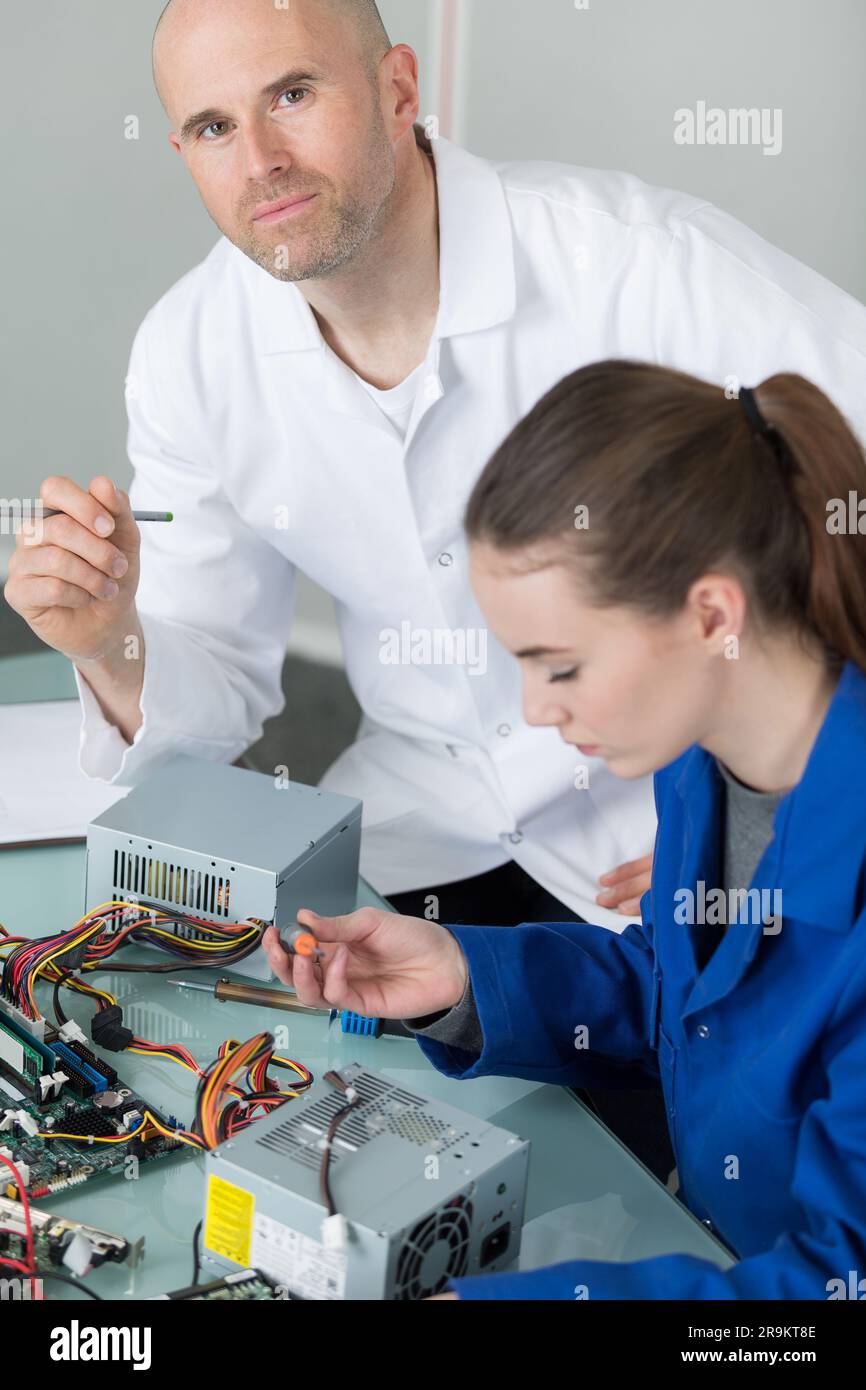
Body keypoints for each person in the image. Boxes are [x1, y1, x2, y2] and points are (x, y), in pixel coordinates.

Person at [5, 0, 865, 1167]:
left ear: (401, 88)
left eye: (292, 95)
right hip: (424, 828)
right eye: (212, 125)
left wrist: (751, 809)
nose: (259, 160)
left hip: (647, 835)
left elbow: (834, 485)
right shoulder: (192, 347)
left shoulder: (640, 268)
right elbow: (215, 692)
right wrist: (111, 640)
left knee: (720, 1156)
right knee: (306, 1134)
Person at [263, 361, 866, 1300]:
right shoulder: (702, 759)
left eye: (563, 667)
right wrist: (465, 977)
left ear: (712, 614)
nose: (536, 713)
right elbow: (701, 1012)